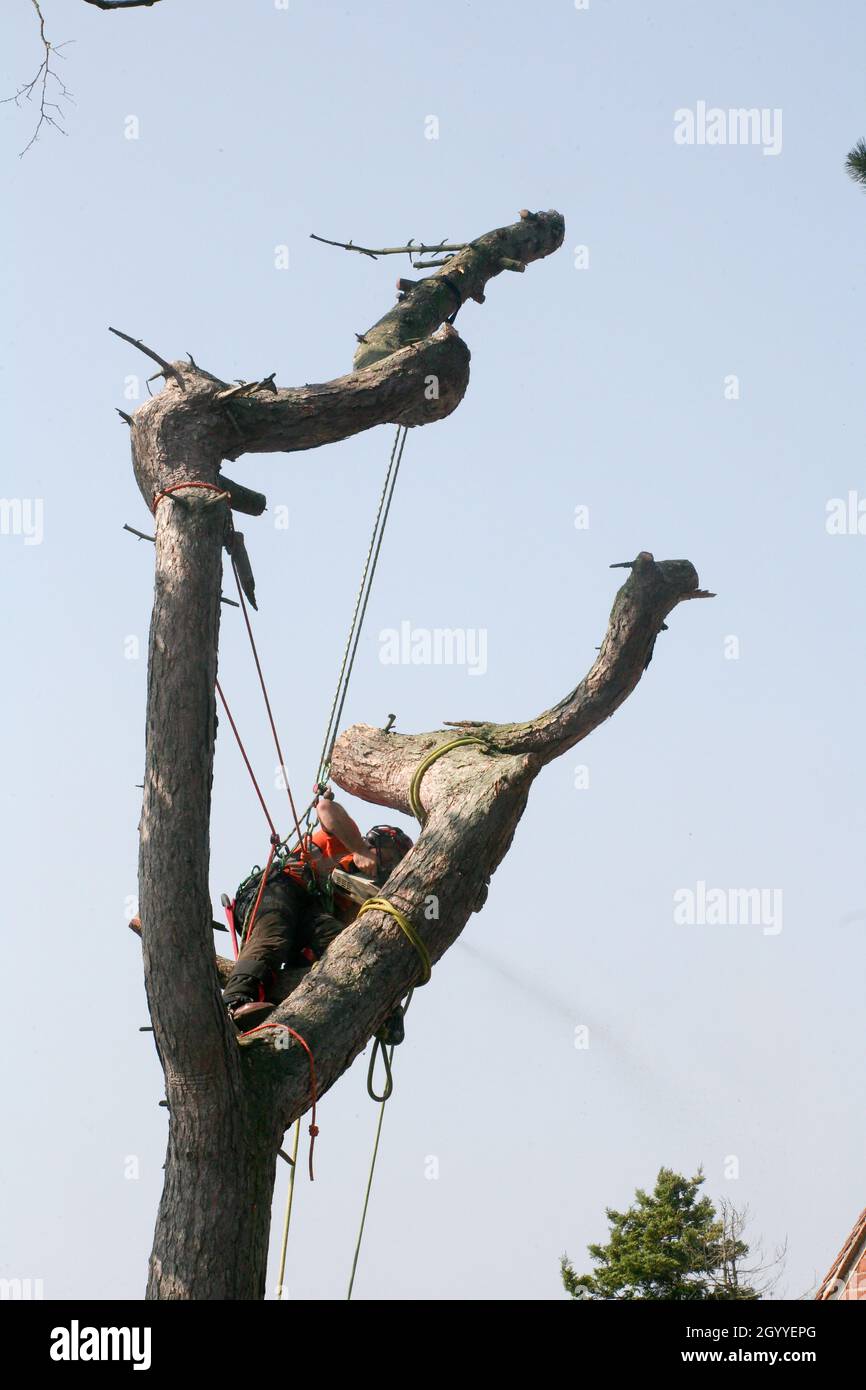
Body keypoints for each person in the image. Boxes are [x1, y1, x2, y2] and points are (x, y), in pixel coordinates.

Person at [223, 791, 413, 1029]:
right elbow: (325, 808)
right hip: (277, 890)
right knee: (274, 935)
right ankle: (236, 1002)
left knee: (344, 941)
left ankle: (380, 1011)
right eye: (392, 857)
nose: (391, 866)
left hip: (305, 913)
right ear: (378, 843)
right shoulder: (349, 838)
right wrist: (360, 850)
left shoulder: (354, 897)